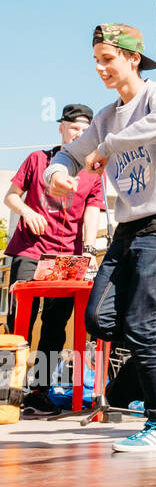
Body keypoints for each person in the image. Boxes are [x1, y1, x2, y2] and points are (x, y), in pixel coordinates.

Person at [45, 24, 156, 452]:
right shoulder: (104, 116)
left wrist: (108, 147)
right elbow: (72, 152)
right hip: (128, 228)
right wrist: (57, 172)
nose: (101, 68)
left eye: (108, 59)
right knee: (99, 318)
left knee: (140, 324)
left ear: (133, 58)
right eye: (96, 61)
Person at [4, 104, 105, 416]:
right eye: (74, 128)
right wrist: (27, 211)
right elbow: (11, 196)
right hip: (30, 249)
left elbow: (92, 213)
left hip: (67, 257)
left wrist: (89, 249)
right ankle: (8, 388)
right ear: (61, 128)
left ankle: (40, 390)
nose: (79, 134)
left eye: (85, 131)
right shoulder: (38, 159)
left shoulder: (92, 173)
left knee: (55, 325)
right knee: (19, 320)